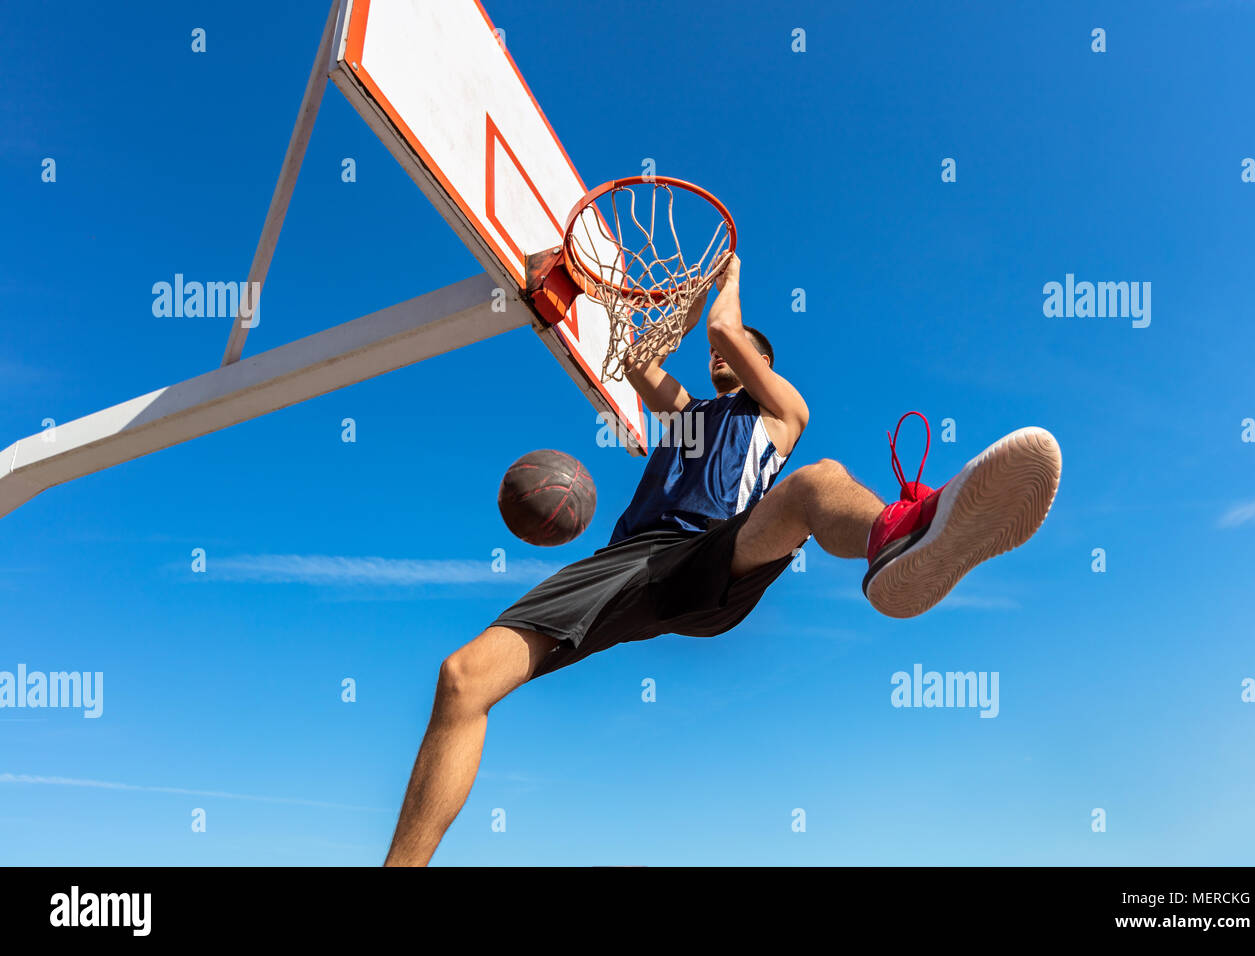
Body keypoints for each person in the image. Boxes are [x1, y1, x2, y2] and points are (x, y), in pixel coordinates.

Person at [383, 255, 1061, 865]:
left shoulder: (780, 410)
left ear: (761, 364)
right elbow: (638, 368)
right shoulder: (688, 415)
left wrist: (726, 283)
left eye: (733, 358)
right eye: (714, 361)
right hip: (629, 564)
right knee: (462, 678)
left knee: (816, 483)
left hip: (715, 552)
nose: (716, 362)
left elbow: (726, 335)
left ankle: (900, 537)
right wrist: (602, 288)